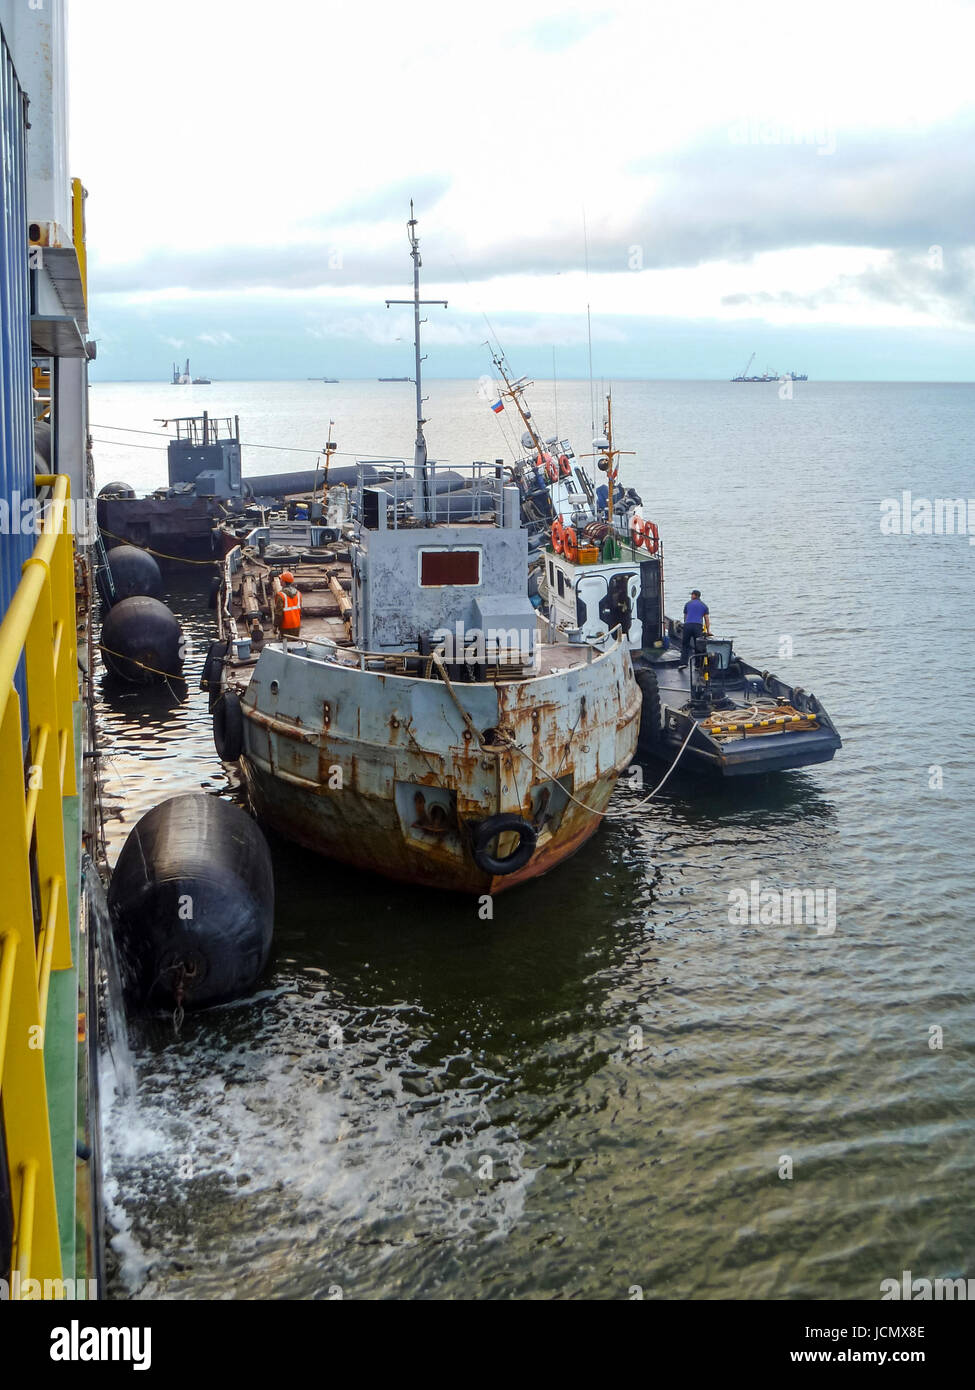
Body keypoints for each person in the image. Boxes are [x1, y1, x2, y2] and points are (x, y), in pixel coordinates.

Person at [678, 589, 709, 668]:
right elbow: (706, 619)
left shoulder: (688, 604)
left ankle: (683, 663)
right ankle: (698, 665)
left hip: (688, 625)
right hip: (698, 626)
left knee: (685, 644)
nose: (691, 596)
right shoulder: (704, 605)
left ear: (695, 595)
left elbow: (685, 617)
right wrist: (708, 631)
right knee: (698, 645)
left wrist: (685, 625)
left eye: (692, 595)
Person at [274, 571, 302, 639]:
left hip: (285, 626)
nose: (280, 580)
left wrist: (275, 626)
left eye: (281, 579)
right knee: (295, 643)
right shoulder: (298, 594)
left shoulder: (281, 595)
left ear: (284, 582)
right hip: (296, 625)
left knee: (285, 644)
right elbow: (299, 610)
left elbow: (278, 614)